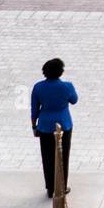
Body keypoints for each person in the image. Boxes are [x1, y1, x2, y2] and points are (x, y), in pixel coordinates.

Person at [31, 58, 79, 199]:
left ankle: (50, 187)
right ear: (60, 72)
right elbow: (74, 100)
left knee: (47, 156)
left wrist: (34, 126)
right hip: (64, 124)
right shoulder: (67, 86)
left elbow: (34, 109)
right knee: (63, 156)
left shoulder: (38, 87)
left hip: (45, 126)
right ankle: (62, 186)